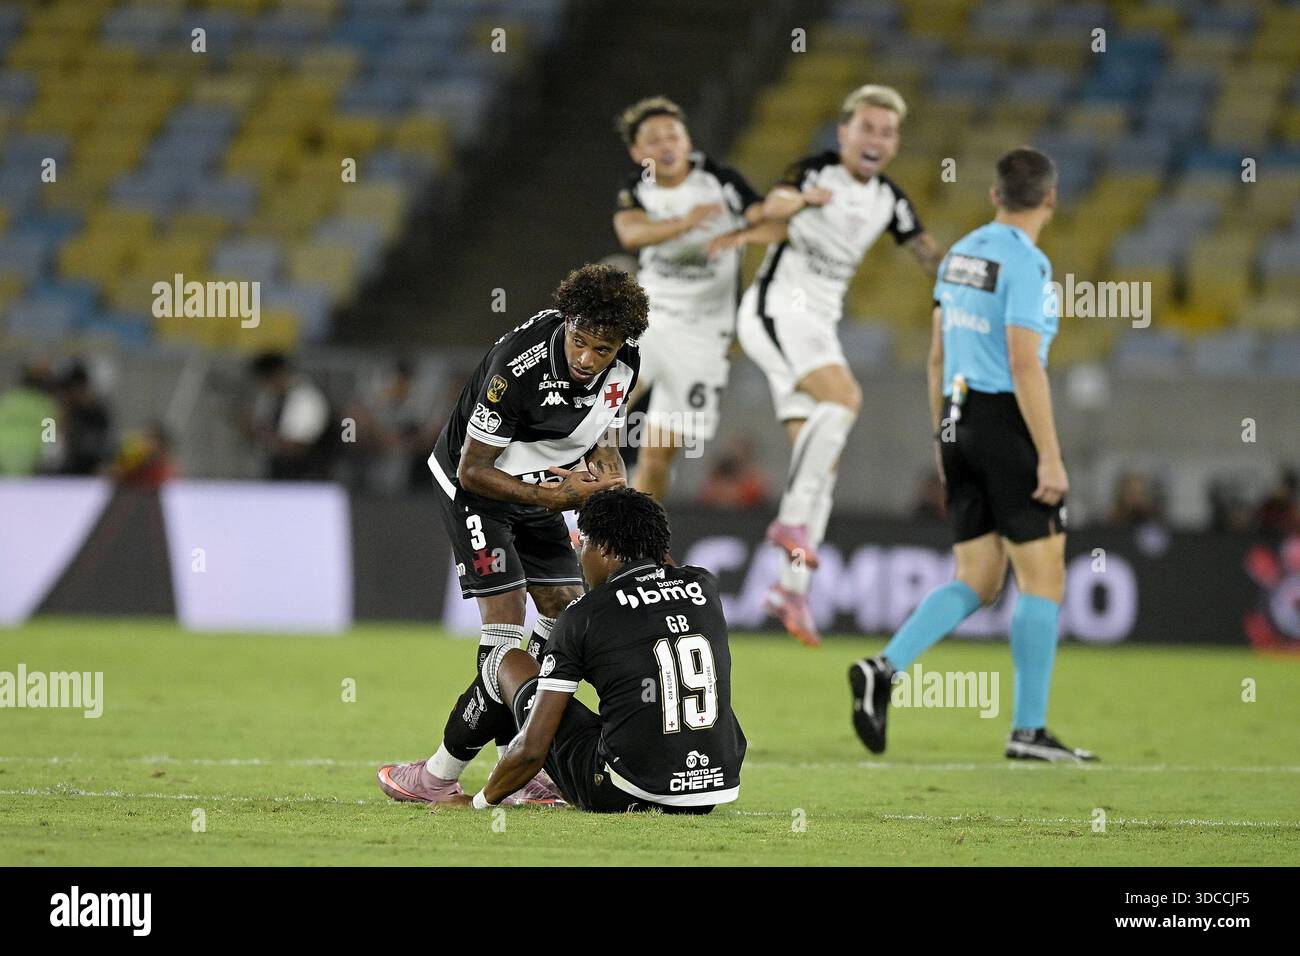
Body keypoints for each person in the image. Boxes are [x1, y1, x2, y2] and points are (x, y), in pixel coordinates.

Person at [848, 147, 1098, 763]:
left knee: (979, 579)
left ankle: (885, 667)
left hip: (958, 421)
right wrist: (1050, 456)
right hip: (1005, 422)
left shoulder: (958, 256)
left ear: (994, 196)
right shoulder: (1029, 266)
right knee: (1044, 577)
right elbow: (1023, 364)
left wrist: (943, 438)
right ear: (1050, 200)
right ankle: (1029, 731)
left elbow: (935, 358)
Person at [376, 264, 648, 805]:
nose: (587, 359)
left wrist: (611, 480)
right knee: (505, 631)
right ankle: (468, 770)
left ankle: (510, 760)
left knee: (565, 610)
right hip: (476, 490)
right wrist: (558, 499)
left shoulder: (626, 363)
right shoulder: (516, 370)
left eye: (603, 349)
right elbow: (473, 470)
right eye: (580, 342)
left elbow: (603, 438)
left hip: (542, 486)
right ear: (567, 322)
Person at [720, 84, 944, 646]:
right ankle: (791, 522)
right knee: (845, 399)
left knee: (823, 461)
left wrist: (962, 282)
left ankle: (789, 589)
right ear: (844, 133)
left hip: (817, 327)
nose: (876, 139)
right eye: (867, 127)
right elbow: (769, 209)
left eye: (887, 132)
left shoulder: (890, 200)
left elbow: (923, 251)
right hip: (778, 312)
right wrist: (800, 203)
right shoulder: (817, 172)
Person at [411, 487, 747, 813]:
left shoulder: (585, 614)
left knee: (507, 660)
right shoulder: (704, 586)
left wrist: (479, 802)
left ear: (602, 548)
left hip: (625, 792)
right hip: (712, 788)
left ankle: (437, 777)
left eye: (582, 543)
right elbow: (660, 565)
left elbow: (532, 748)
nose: (580, 556)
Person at [612, 96, 764, 501]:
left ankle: (636, 542)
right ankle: (560, 511)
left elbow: (769, 221)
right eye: (653, 138)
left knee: (658, 456)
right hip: (649, 321)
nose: (665, 144)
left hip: (702, 338)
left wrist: (746, 232)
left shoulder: (723, 183)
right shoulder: (637, 190)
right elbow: (631, 234)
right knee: (595, 416)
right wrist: (686, 224)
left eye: (672, 135)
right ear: (637, 152)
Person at [243, 352, 335, 481]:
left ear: (277, 375)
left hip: (307, 474)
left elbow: (296, 447)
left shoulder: (306, 397)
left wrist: (259, 433)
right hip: (279, 471)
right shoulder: (269, 398)